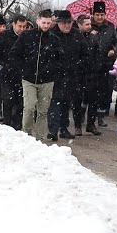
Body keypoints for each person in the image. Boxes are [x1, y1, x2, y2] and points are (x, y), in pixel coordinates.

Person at [11, 10, 66, 142]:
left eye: (48, 23)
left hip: (47, 81)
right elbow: (14, 54)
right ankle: (26, 133)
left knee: (43, 111)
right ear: (37, 21)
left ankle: (40, 137)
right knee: (29, 107)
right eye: (43, 22)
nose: (46, 25)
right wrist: (23, 69)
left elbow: (61, 59)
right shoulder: (26, 36)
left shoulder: (54, 39)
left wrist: (53, 70)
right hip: (29, 79)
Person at [48, 10, 79, 140]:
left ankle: (64, 128)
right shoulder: (52, 35)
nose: (67, 25)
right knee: (55, 103)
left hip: (72, 74)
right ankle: (53, 130)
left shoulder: (76, 34)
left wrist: (78, 65)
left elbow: (84, 52)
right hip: (55, 75)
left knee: (66, 102)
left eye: (69, 23)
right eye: (64, 23)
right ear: (58, 23)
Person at [0, 14, 28, 130]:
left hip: (21, 74)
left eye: (24, 26)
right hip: (6, 74)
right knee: (8, 99)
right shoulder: (4, 36)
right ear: (13, 24)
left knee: (20, 101)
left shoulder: (27, 36)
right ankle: (7, 124)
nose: (22, 29)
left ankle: (17, 126)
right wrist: (4, 64)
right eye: (20, 26)